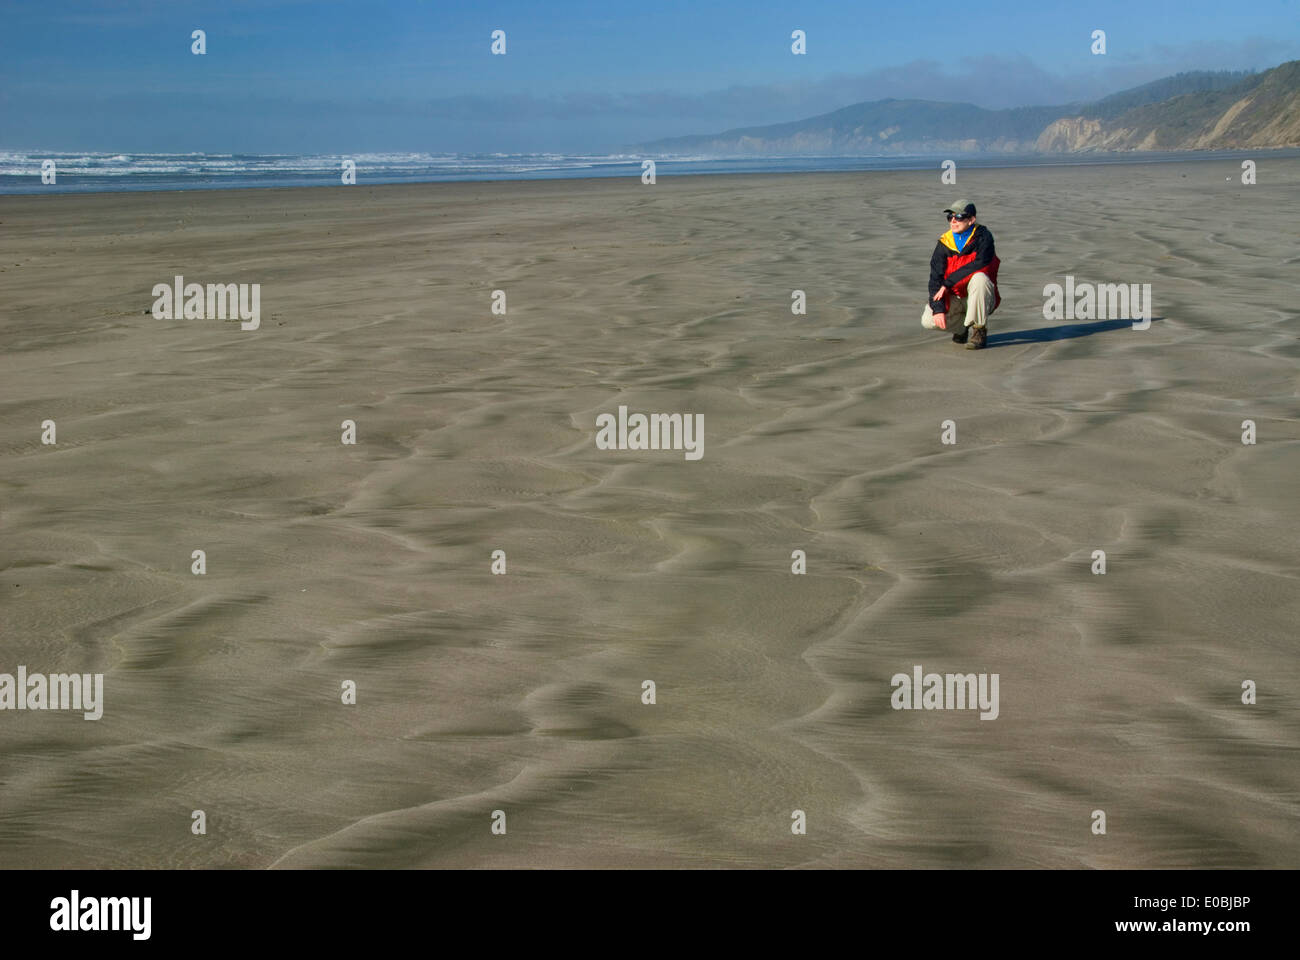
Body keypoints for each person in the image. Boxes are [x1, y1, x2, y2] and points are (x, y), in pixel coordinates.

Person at [920, 200, 1001, 349]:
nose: (953, 221)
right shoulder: (944, 243)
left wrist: (948, 283)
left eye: (959, 216)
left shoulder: (984, 237)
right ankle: (962, 329)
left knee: (980, 279)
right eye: (950, 217)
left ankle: (979, 330)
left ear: (971, 220)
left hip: (981, 297)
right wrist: (938, 309)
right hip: (955, 298)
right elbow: (935, 280)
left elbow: (980, 264)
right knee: (928, 320)